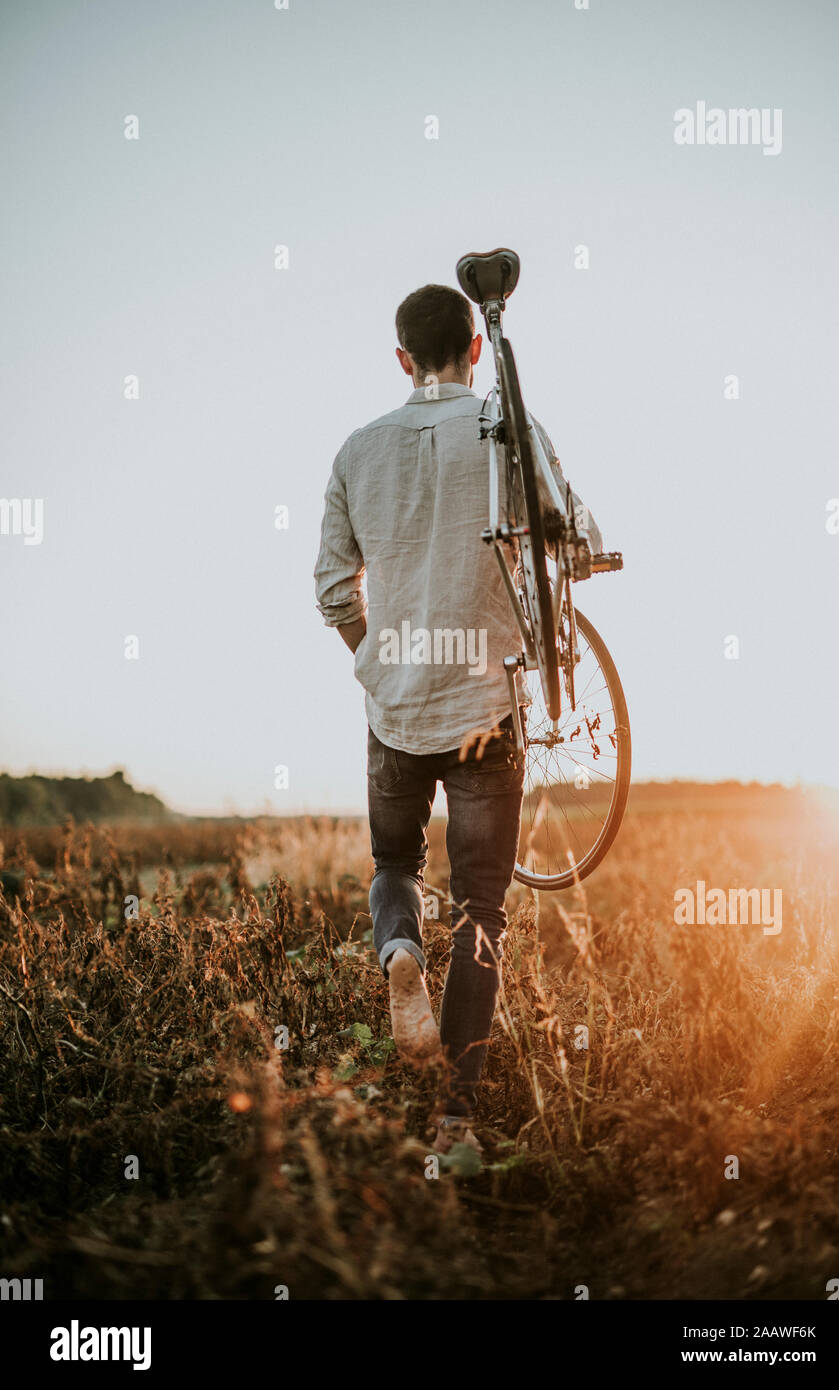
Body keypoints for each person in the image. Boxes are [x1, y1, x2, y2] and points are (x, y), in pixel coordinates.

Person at [314, 283, 601, 1153]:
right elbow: (575, 543)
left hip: (395, 709)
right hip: (486, 707)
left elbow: (333, 591)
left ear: (403, 359)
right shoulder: (511, 430)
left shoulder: (357, 451)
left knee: (394, 861)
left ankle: (399, 948)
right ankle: (453, 1127)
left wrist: (380, 660)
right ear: (476, 349)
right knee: (482, 910)